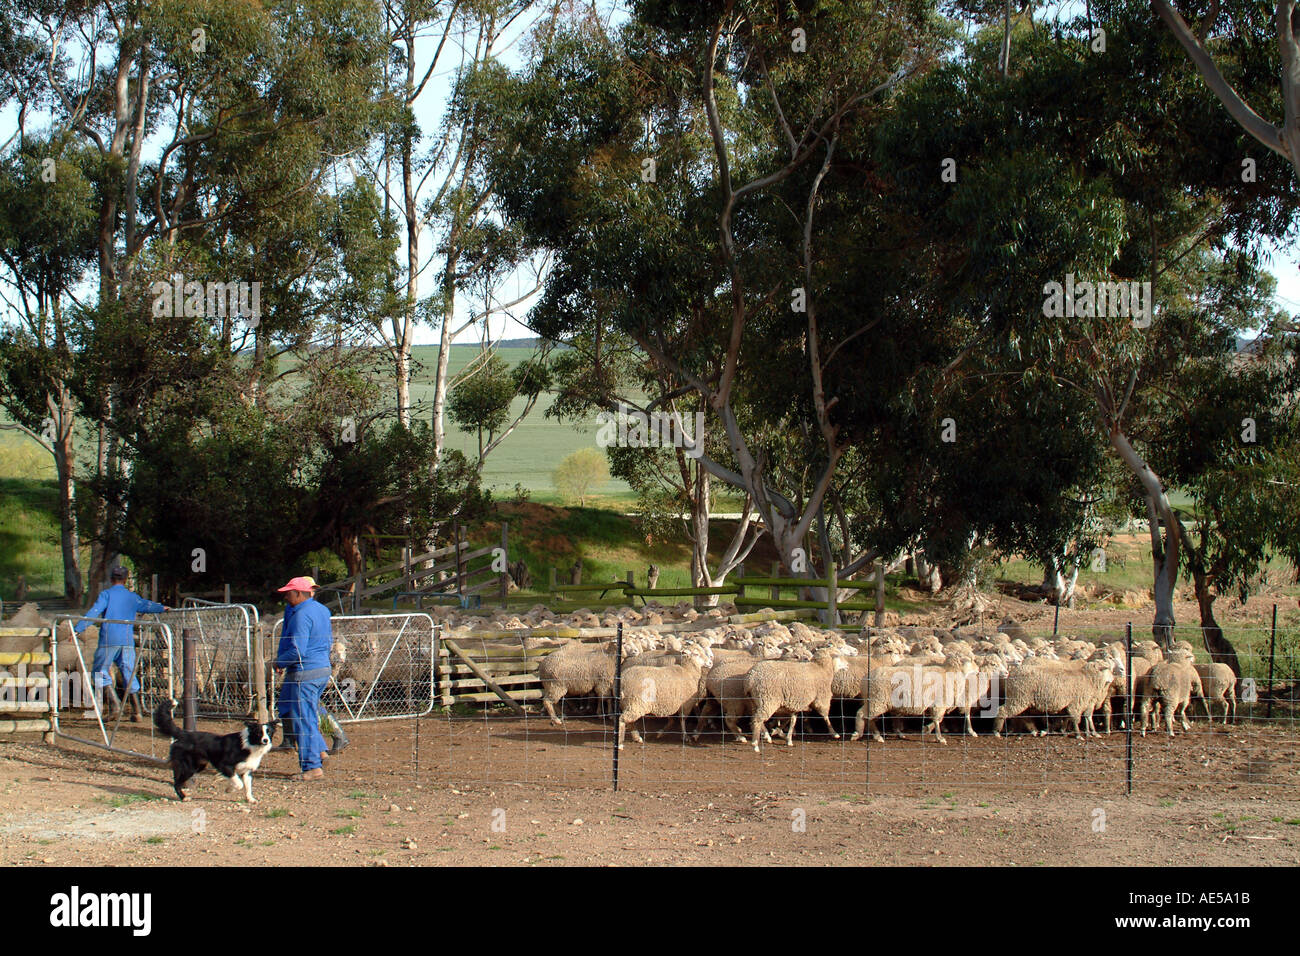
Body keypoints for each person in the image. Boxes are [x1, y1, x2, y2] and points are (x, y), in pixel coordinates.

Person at [74, 566, 169, 720]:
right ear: (125, 580)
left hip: (109, 639)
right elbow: (147, 605)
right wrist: (162, 608)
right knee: (128, 671)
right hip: (126, 640)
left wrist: (78, 628)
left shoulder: (106, 595)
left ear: (111, 579)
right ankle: (136, 711)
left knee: (99, 670)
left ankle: (115, 705)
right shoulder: (132, 597)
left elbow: (94, 611)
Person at [273, 576, 333, 780]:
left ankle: (312, 767)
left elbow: (297, 650)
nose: (286, 597)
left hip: (304, 672)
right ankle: (319, 749)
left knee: (303, 718)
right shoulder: (323, 610)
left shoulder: (300, 614)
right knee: (293, 708)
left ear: (299, 593)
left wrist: (279, 662)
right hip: (321, 669)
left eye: (289, 593)